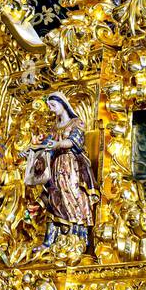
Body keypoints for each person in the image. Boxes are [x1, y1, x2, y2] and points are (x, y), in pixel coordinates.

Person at [27, 93, 97, 251]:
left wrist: (56, 144)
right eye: (49, 107)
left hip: (71, 165)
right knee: (53, 197)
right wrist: (34, 148)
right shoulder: (53, 128)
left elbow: (75, 141)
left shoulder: (76, 123)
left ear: (63, 104)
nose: (51, 110)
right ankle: (49, 240)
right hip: (55, 166)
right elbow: (45, 146)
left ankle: (77, 237)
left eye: (53, 105)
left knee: (72, 195)